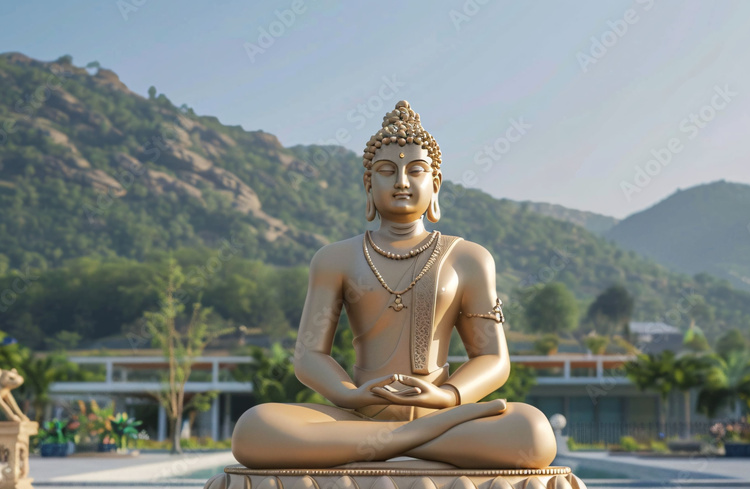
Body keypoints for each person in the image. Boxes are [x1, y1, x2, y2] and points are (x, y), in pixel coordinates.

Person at [232, 101, 556, 469]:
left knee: (533, 432)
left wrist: (447, 398)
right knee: (255, 428)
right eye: (387, 171)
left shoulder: (470, 258)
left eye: (415, 170)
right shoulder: (334, 258)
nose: (402, 181)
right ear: (369, 185)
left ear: (434, 185)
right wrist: (348, 394)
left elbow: (493, 359)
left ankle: (378, 446)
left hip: (439, 411)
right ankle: (409, 443)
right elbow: (309, 355)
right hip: (360, 415)